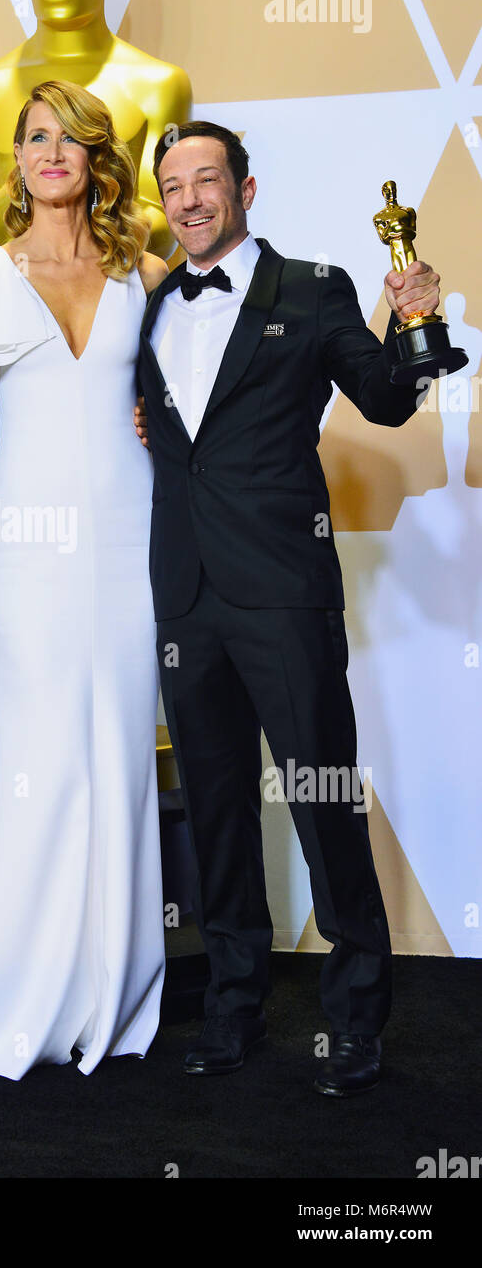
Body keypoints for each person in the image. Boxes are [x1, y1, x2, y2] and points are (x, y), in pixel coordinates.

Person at [134, 121, 448, 1096]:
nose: (190, 200)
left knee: (320, 803)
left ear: (247, 188)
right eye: (174, 185)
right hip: (187, 599)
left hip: (283, 594)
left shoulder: (310, 290)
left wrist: (413, 323)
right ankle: (233, 1008)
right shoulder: (146, 308)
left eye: (207, 181)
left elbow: (388, 402)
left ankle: (357, 1020)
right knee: (221, 815)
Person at [0, 80, 170, 1079]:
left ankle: (114, 985)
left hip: (133, 534)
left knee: (119, 745)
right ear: (13, 159)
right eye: (35, 137)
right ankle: (18, 985)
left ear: (94, 154)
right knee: (45, 748)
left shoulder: (146, 268)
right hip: (29, 540)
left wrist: (162, 414)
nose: (52, 151)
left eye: (69, 137)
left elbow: (195, 386)